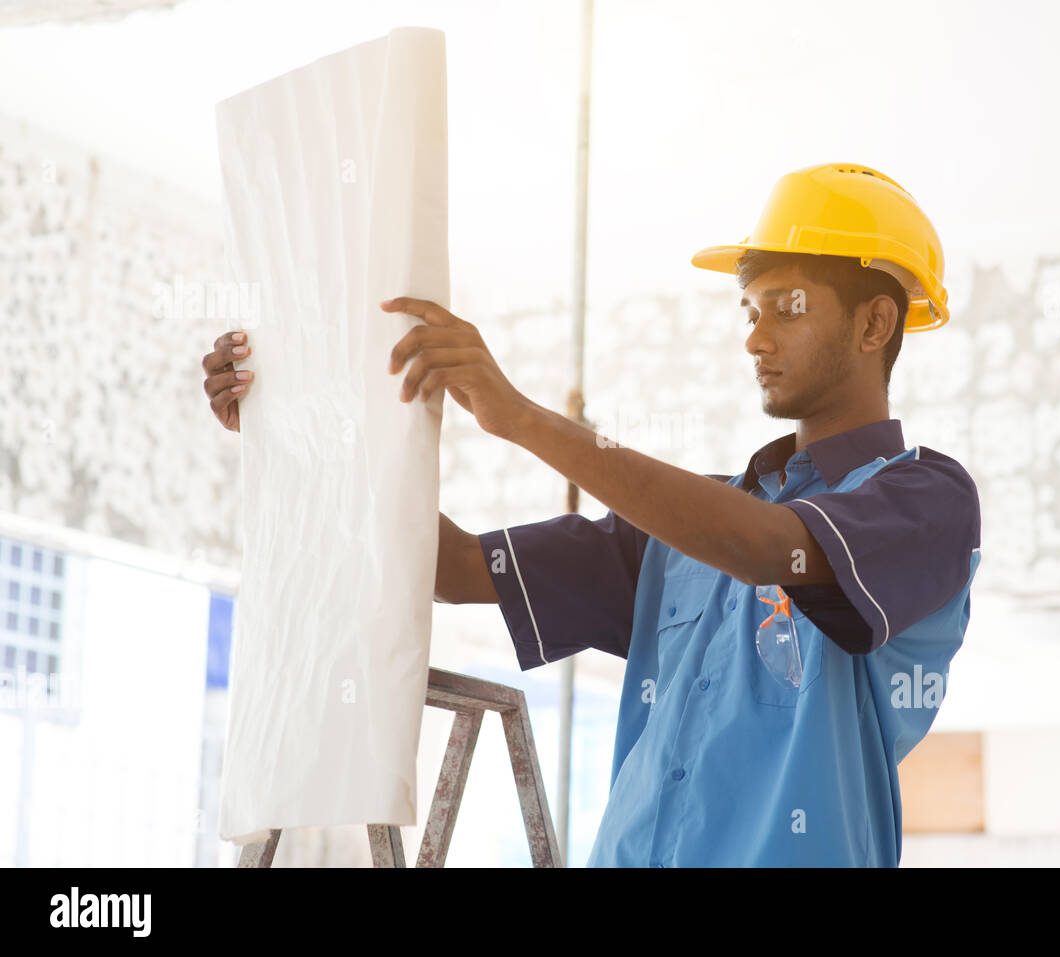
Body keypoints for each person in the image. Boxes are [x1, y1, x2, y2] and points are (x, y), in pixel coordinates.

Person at [201, 162, 982, 867]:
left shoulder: (928, 502)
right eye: (750, 309)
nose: (754, 336)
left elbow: (780, 551)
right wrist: (294, 433)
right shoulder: (680, 535)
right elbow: (455, 566)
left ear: (875, 323)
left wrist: (521, 417)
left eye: (786, 307)